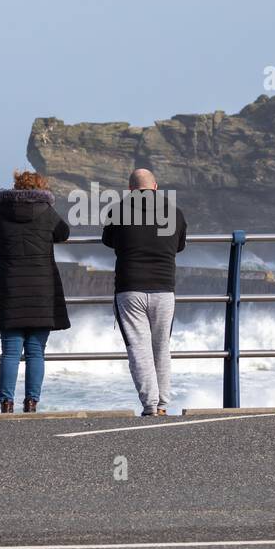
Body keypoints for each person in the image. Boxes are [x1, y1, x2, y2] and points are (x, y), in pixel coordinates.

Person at [0, 170, 71, 414]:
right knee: (36, 351)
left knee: (10, 351)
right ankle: (31, 403)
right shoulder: (46, 212)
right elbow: (64, 233)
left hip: (10, 289)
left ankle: (6, 403)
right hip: (42, 290)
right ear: (41, 188)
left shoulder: (0, 212)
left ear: (16, 187)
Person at [102, 169, 188, 416]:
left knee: (139, 347)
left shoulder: (118, 210)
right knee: (161, 346)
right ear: (156, 188)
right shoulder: (174, 212)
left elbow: (109, 240)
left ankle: (150, 405)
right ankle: (162, 405)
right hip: (164, 288)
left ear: (130, 190)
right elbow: (180, 245)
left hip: (130, 288)